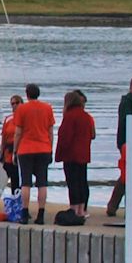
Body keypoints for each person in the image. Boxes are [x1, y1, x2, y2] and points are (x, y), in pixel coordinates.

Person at [12, 84, 56, 224]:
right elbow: (50, 131)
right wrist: (50, 148)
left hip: (26, 149)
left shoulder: (21, 109)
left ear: (27, 94)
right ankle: (41, 214)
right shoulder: (47, 108)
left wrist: (14, 150)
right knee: (42, 183)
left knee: (26, 183)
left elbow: (18, 132)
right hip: (43, 148)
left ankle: (25, 213)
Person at [105, 76, 132, 216]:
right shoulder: (127, 102)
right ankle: (123, 207)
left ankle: (120, 207)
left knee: (131, 174)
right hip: (127, 142)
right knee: (129, 173)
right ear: (130, 87)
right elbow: (128, 121)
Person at [55, 89, 95, 221]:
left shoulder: (70, 116)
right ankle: (82, 209)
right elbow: (92, 134)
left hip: (71, 155)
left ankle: (73, 208)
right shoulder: (86, 116)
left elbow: (65, 137)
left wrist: (59, 154)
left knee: (72, 182)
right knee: (82, 181)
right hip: (84, 153)